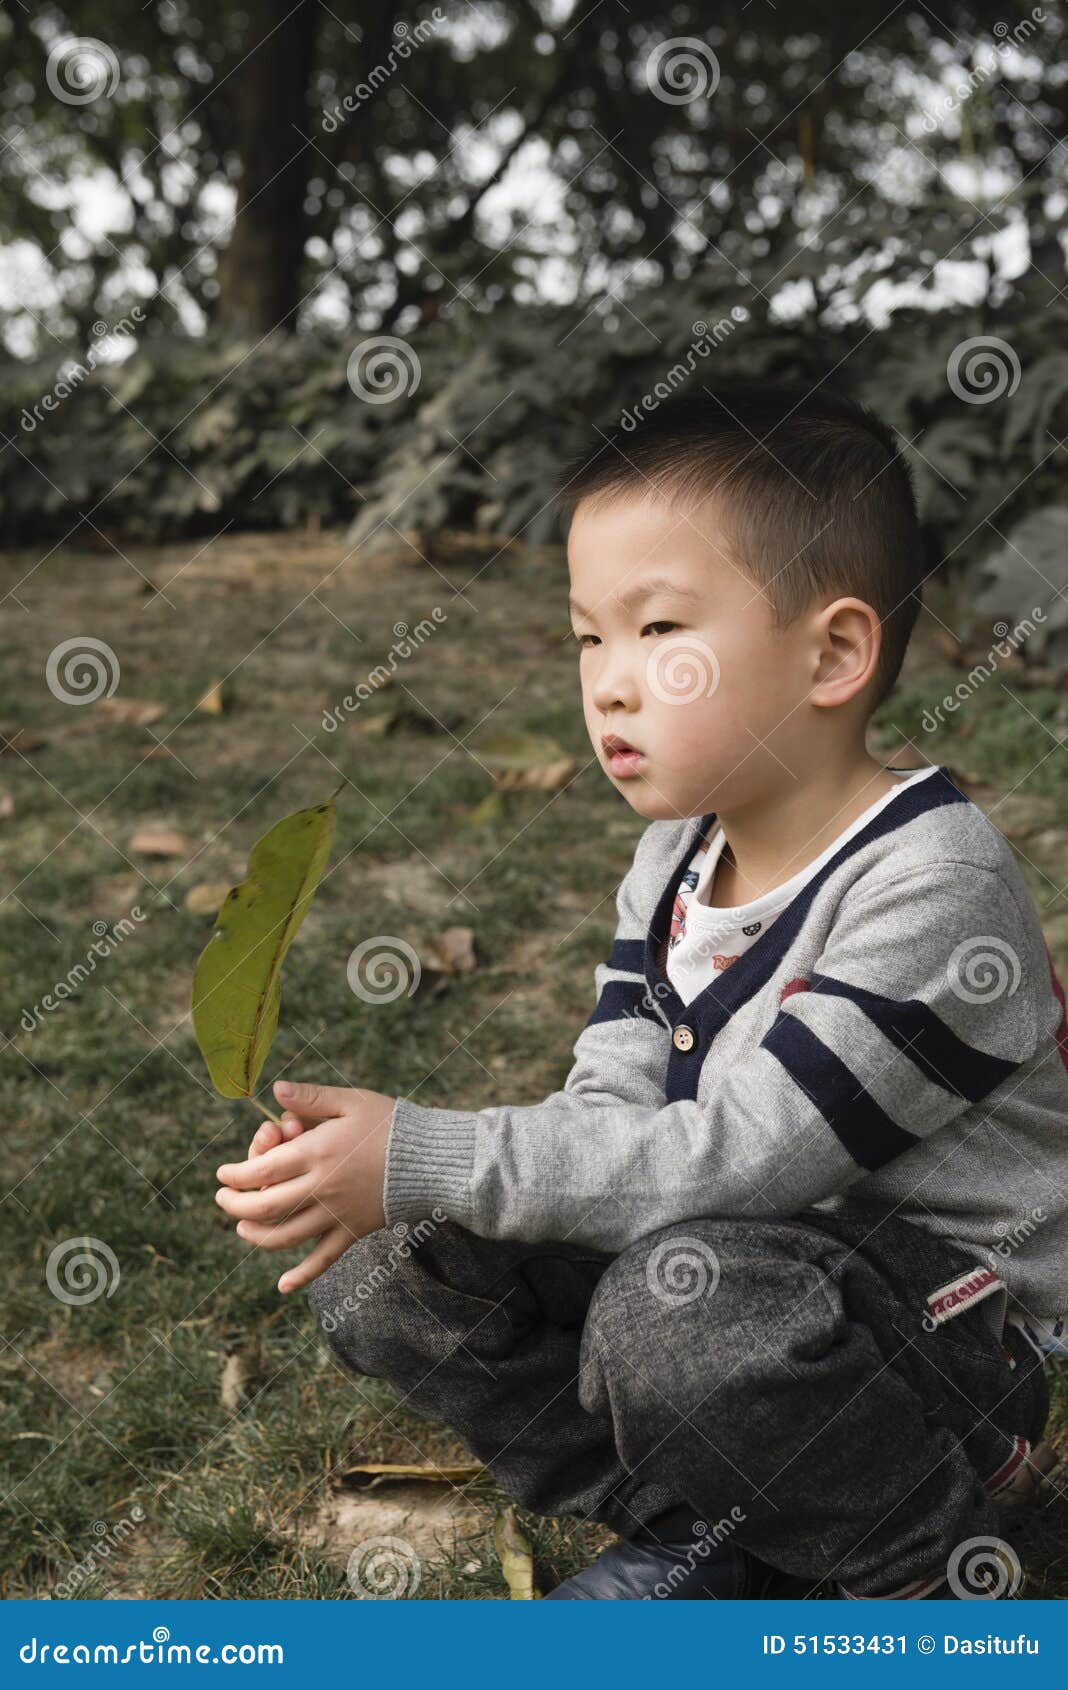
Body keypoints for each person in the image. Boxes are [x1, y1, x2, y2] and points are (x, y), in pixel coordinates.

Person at [215, 382, 1068, 1600]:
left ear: (832, 652)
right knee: (392, 1265)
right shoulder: (675, 857)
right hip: (742, 1274)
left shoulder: (930, 881)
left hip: (943, 1341)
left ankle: (916, 1563)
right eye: (587, 637)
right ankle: (701, 1525)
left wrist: (433, 1148)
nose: (608, 682)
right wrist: (393, 1181)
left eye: (660, 630)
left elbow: (740, 1162)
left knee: (679, 1313)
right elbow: (612, 1110)